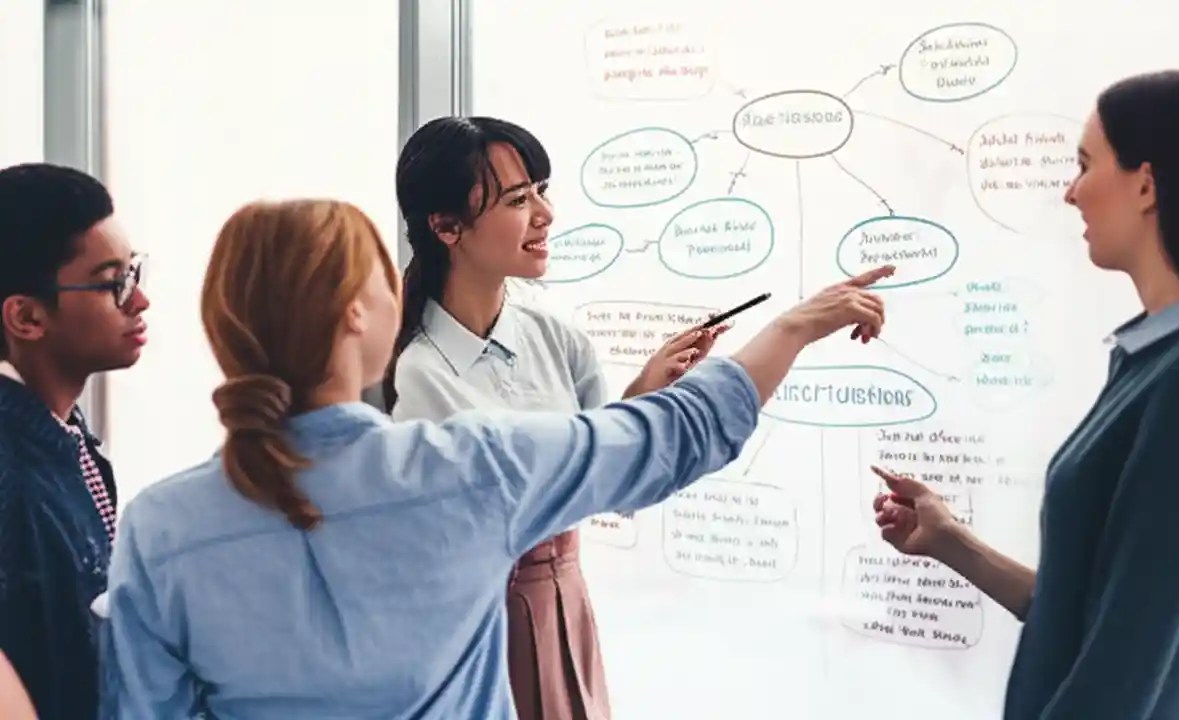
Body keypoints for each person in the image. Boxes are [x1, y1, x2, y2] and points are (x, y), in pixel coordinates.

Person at [98, 197, 893, 718]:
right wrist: (792, 327)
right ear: (354, 314)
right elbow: (677, 434)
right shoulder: (470, 468)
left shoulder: (160, 526)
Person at [872, 69, 1179, 719]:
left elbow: (1122, 672)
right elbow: (1096, 618)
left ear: (1146, 184)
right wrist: (951, 541)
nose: (1071, 192)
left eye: (1086, 164)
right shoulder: (1162, 361)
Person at [384, 115, 730, 720]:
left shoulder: (553, 331)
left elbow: (614, 489)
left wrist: (645, 395)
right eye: (519, 199)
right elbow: (508, 509)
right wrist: (623, 431)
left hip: (565, 599)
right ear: (445, 227)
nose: (545, 214)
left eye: (541, 191)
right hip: (473, 617)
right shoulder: (415, 372)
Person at [0, 163, 150, 719]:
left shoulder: (60, 433)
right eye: (114, 283)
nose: (138, 301)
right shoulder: (11, 473)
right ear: (27, 316)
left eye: (133, 272)